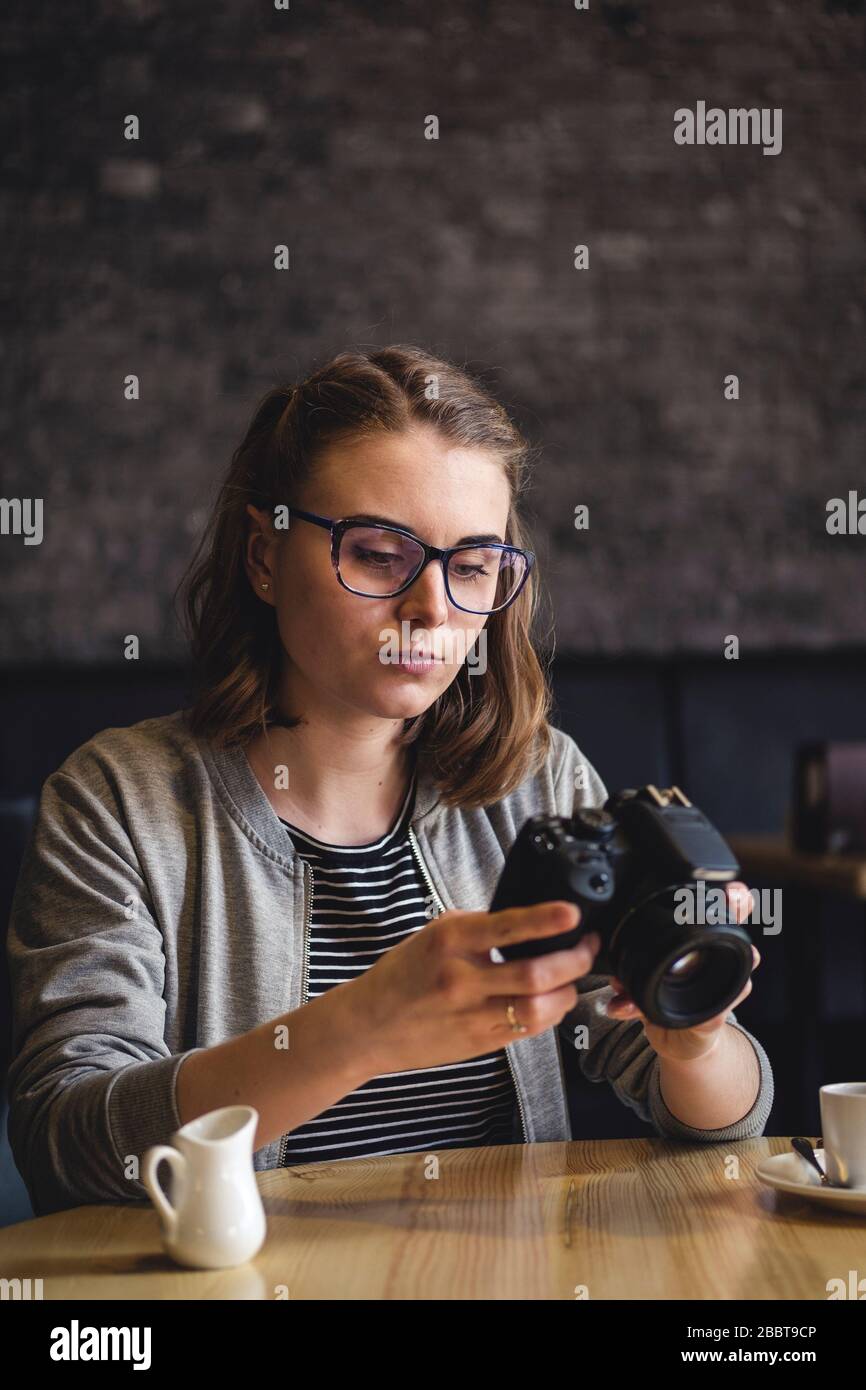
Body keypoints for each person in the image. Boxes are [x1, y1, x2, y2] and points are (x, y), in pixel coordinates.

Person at [5, 345, 773, 1215]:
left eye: (473, 566)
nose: (433, 610)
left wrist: (695, 1035)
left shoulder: (537, 782)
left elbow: (722, 1124)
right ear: (264, 555)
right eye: (377, 554)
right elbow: (65, 1144)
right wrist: (358, 1030)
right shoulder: (118, 803)